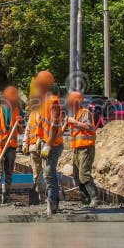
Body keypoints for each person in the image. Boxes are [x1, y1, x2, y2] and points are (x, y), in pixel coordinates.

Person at [34, 70, 64, 214]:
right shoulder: (44, 101)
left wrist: (48, 144)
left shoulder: (53, 102)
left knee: (49, 174)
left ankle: (52, 206)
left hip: (54, 144)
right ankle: (53, 205)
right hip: (46, 142)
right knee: (48, 174)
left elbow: (54, 125)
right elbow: (42, 124)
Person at [65, 91, 99, 207]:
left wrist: (74, 122)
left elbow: (89, 127)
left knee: (84, 174)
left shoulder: (84, 113)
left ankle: (94, 198)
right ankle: (85, 199)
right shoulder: (76, 114)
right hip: (77, 148)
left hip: (86, 147)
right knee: (76, 175)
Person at [0, 86, 22, 204]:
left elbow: (20, 131)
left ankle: (6, 196)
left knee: (9, 172)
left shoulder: (18, 110)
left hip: (11, 146)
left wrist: (19, 124)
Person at [22, 85, 45, 202]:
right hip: (33, 148)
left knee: (45, 172)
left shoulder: (44, 113)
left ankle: (46, 195)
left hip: (42, 147)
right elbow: (27, 130)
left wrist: (40, 143)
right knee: (36, 174)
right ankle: (39, 195)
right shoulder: (32, 115)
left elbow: (45, 131)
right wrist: (25, 143)